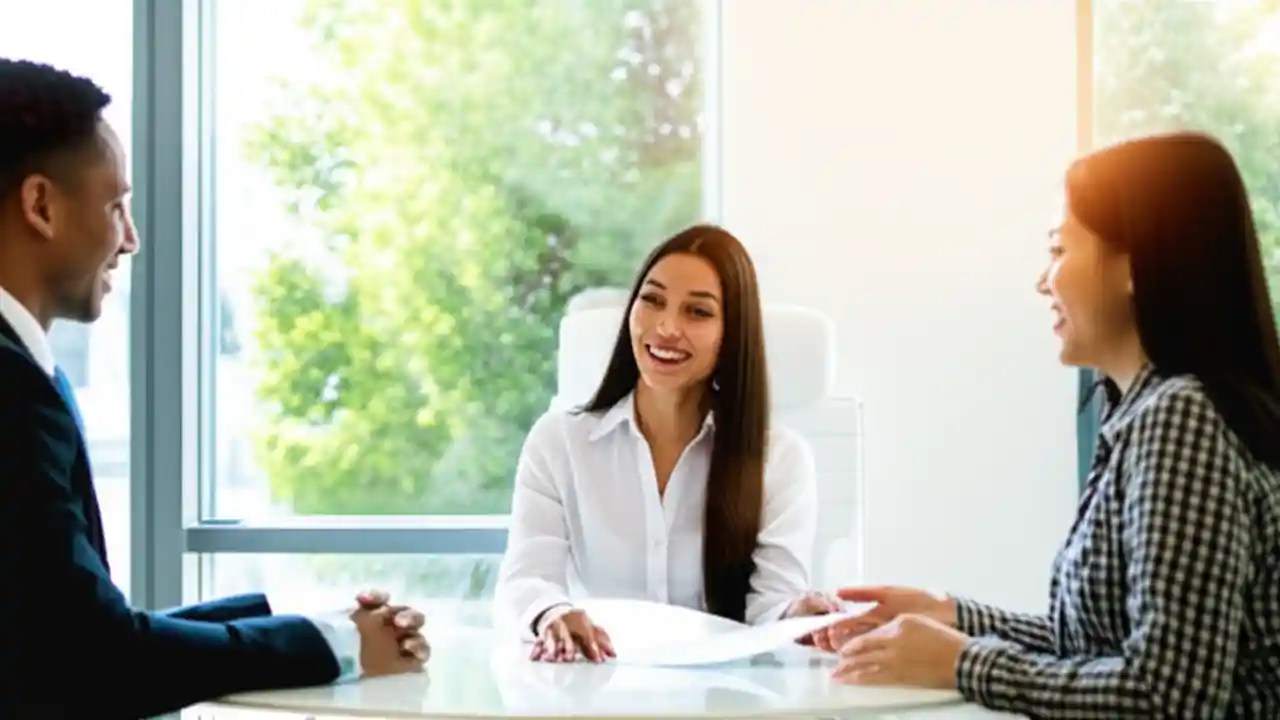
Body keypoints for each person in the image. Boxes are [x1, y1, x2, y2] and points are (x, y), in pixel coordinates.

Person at [0, 58, 429, 717]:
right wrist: (334, 644)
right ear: (40, 205)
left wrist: (309, 624)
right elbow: (89, 656)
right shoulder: (13, 392)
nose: (131, 239)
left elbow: (52, 630)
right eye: (116, 204)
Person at [819, 133, 1280, 717]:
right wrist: (951, 616)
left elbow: (1170, 699)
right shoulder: (1141, 410)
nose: (1044, 282)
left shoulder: (1180, 418)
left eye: (1059, 250)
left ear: (1134, 264)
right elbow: (1101, 647)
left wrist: (964, 660)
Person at [494, 224, 838, 663]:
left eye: (697, 312)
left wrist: (797, 614)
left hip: (724, 697)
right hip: (597, 689)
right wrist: (552, 613)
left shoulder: (780, 460)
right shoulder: (558, 442)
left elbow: (771, 604)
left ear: (731, 334)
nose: (666, 327)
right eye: (652, 300)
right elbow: (526, 579)